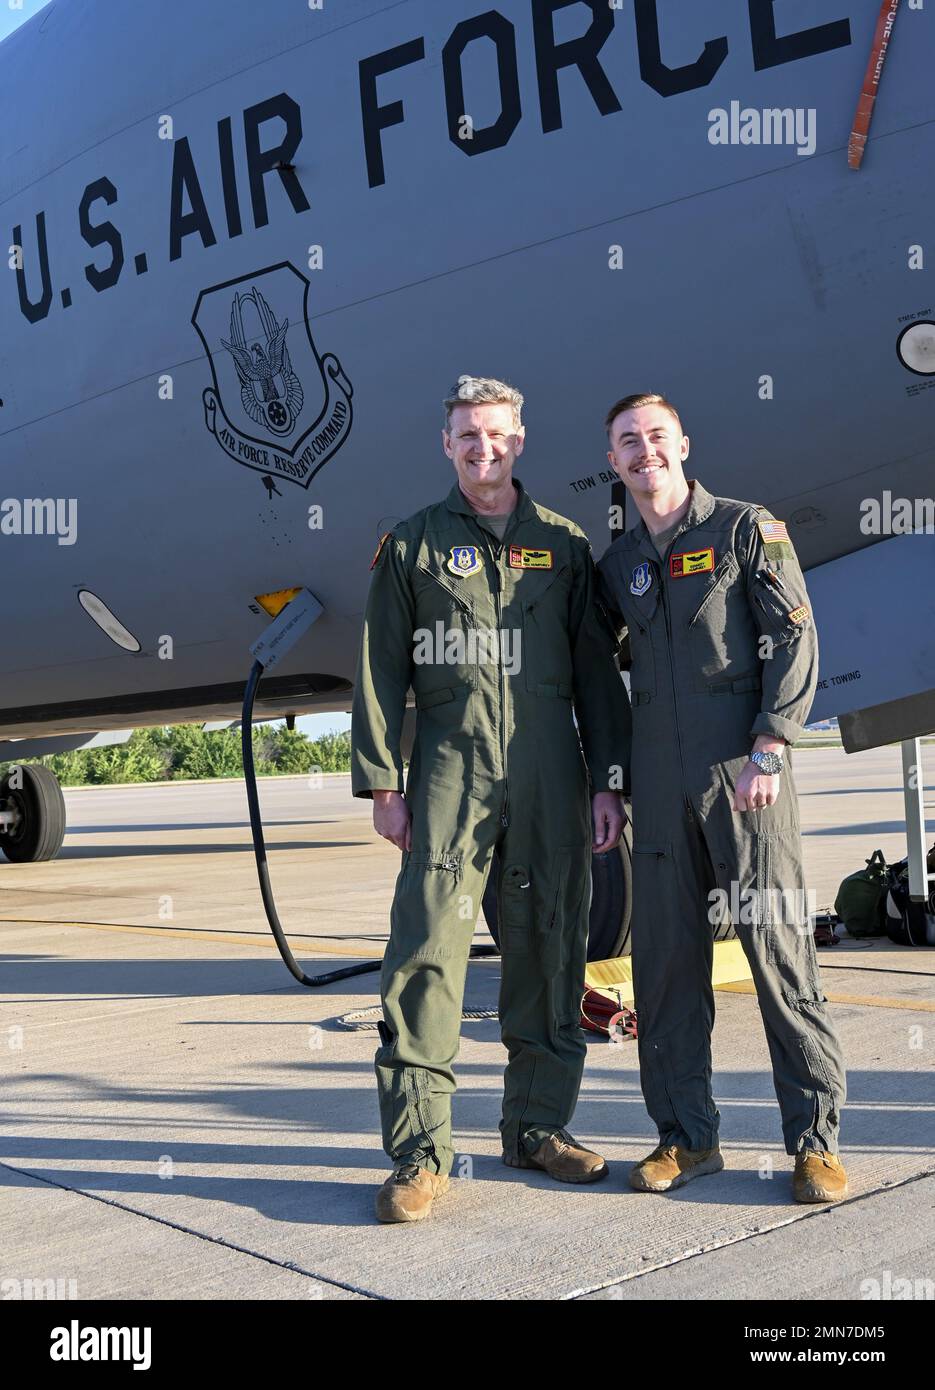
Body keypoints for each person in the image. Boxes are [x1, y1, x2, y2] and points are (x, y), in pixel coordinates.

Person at [351, 375, 630, 1223]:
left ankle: (537, 1127)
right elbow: (379, 669)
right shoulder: (412, 546)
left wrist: (606, 779)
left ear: (520, 439)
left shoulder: (562, 542)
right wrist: (382, 781)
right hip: (447, 770)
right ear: (447, 444)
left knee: (549, 947)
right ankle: (419, 1155)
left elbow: (593, 671)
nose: (483, 448)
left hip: (551, 766)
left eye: (497, 435)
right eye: (467, 435)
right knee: (426, 956)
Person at [597, 392, 847, 1203]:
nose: (644, 452)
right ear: (613, 461)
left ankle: (813, 1143)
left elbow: (794, 634)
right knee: (667, 972)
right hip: (658, 787)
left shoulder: (743, 529)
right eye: (627, 442)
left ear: (682, 444)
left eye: (655, 437)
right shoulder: (618, 563)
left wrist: (771, 741)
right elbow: (593, 670)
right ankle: (685, 1139)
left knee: (778, 961)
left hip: (744, 778)